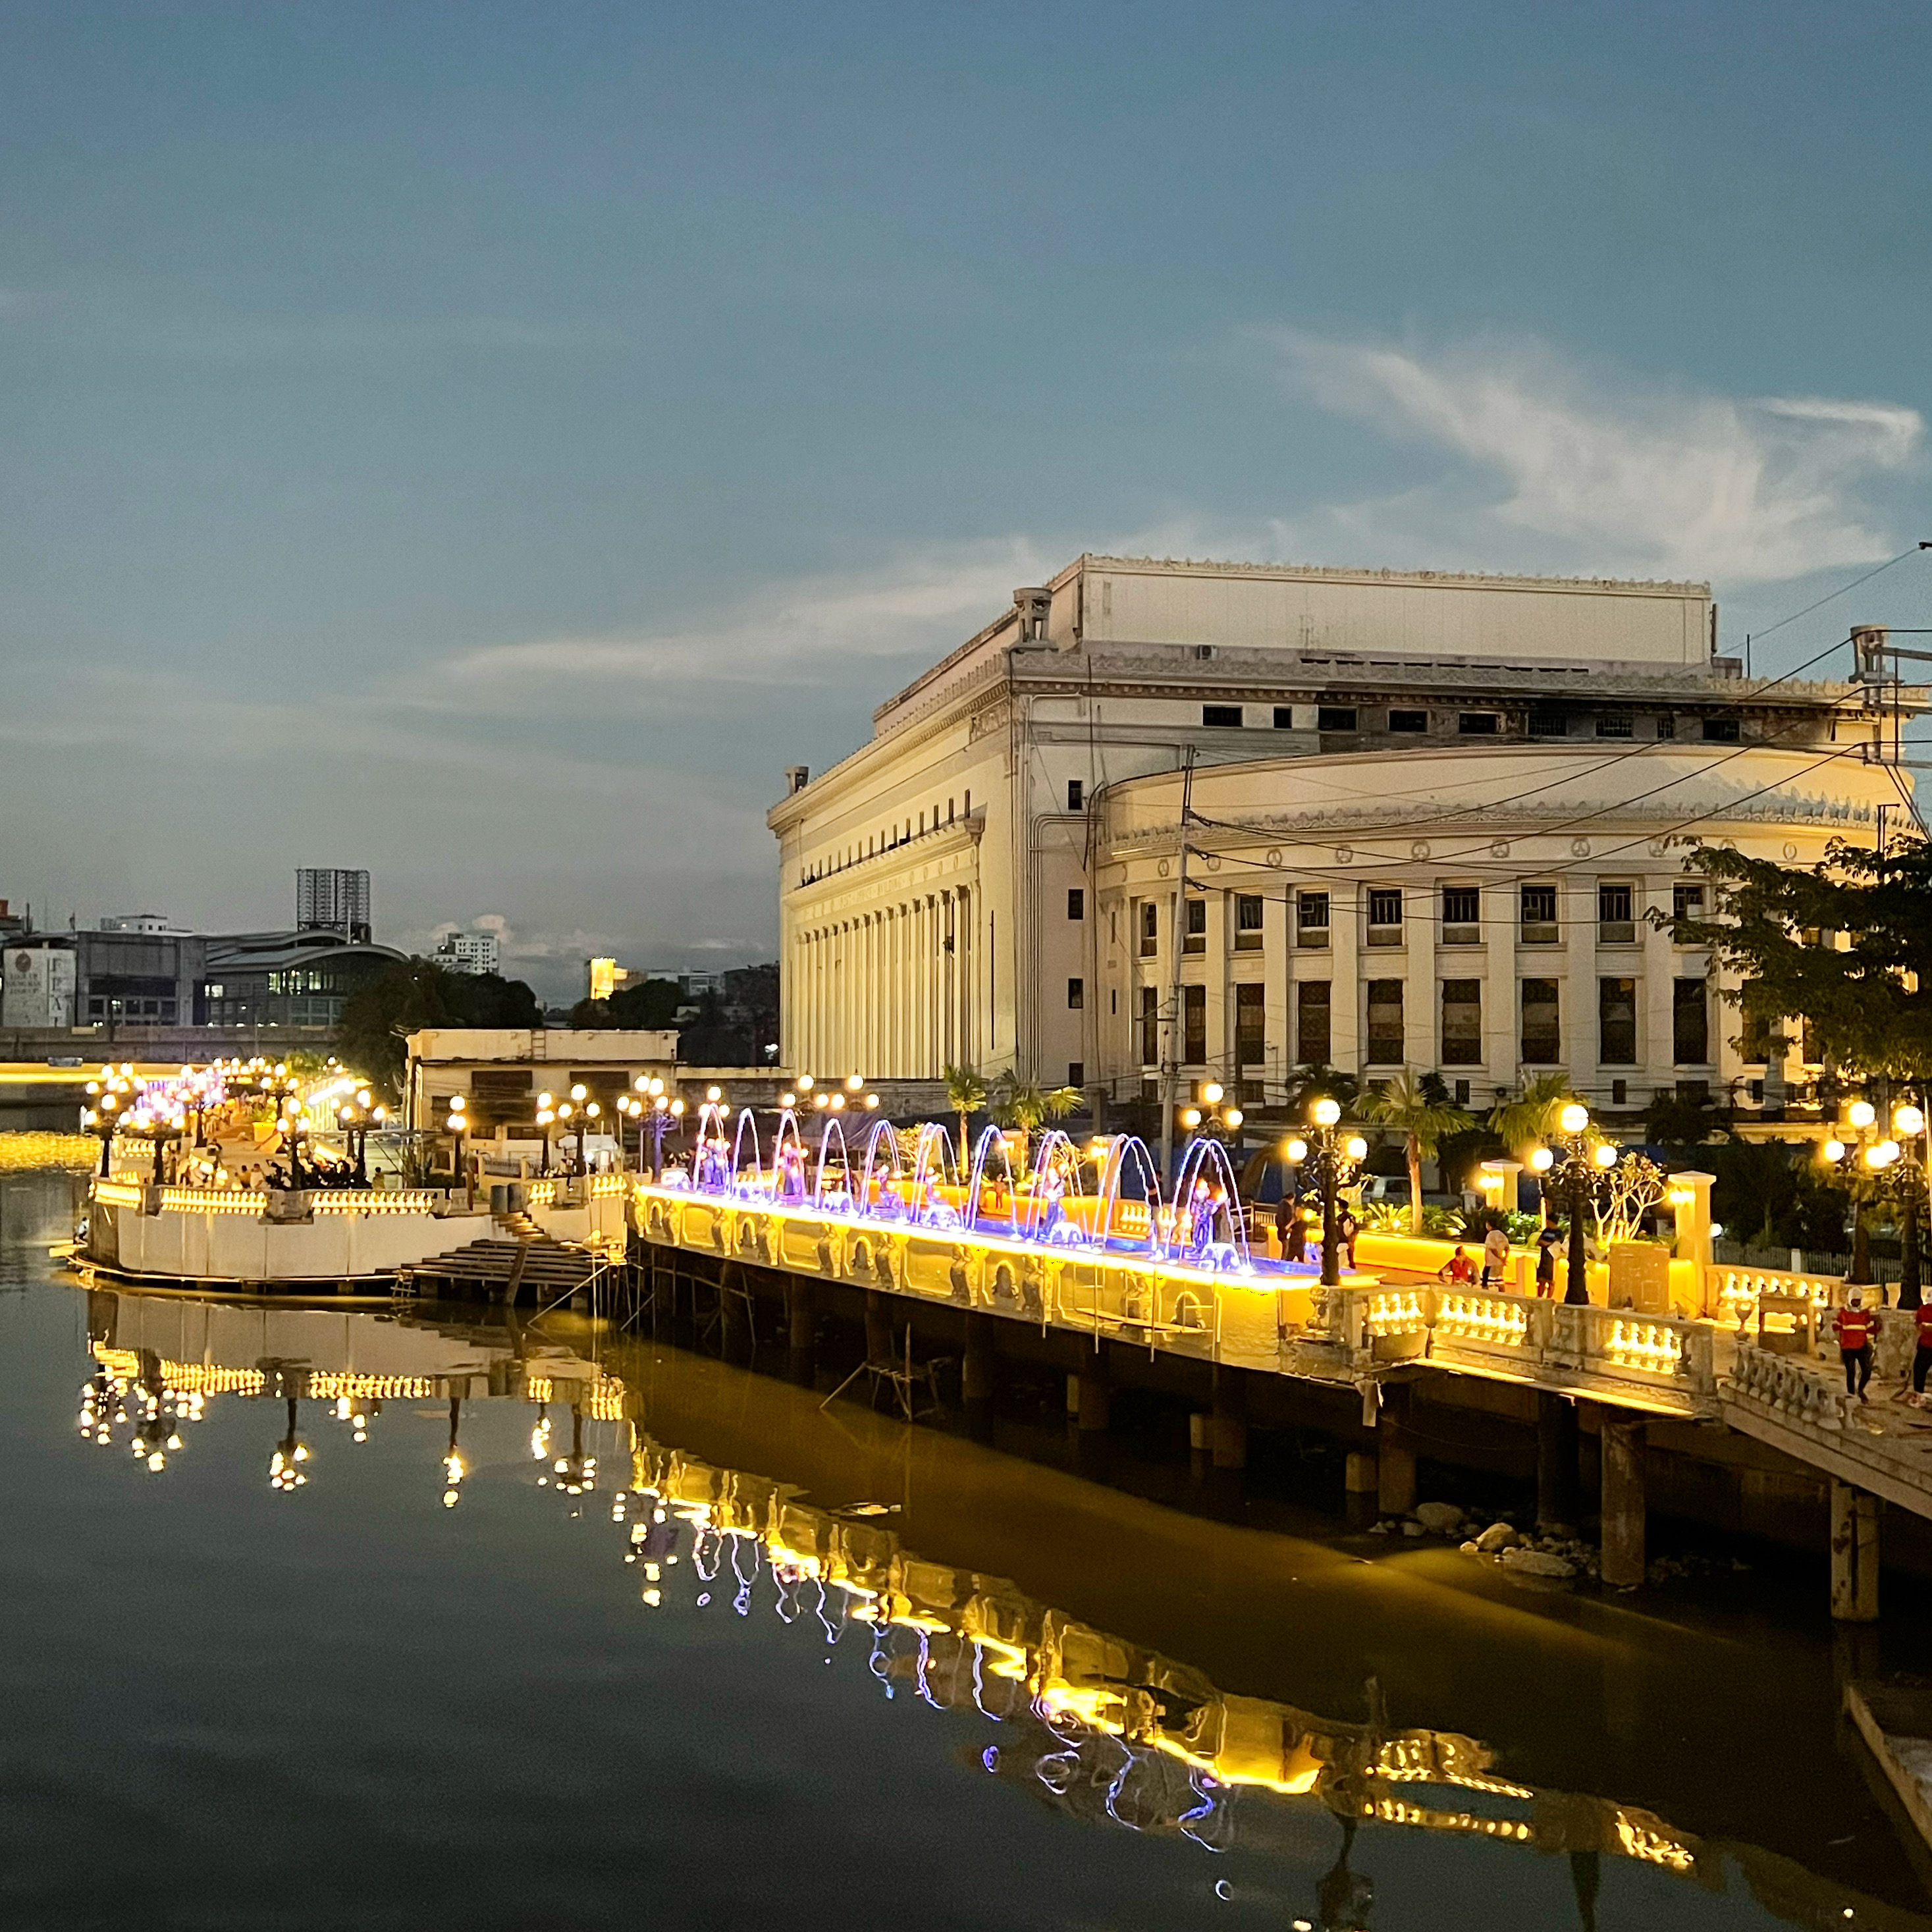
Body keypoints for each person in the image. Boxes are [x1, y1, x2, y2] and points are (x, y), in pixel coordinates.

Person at [1835, 1291, 1877, 1403]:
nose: (1856, 1303)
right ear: (1850, 1300)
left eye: (1858, 1300)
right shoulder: (1843, 1312)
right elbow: (1837, 1327)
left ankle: (1860, 1390)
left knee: (1867, 1371)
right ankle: (1851, 1395)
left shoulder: (1865, 1313)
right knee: (1851, 1372)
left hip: (1861, 1345)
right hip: (1847, 1347)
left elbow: (1870, 1328)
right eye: (1854, 1300)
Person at [1912, 1296, 1932, 1403]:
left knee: (1919, 1371)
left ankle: (1919, 1396)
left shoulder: (1924, 1310)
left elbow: (1917, 1323)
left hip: (1926, 1346)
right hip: (1926, 1345)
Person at [1534, 1223, 1562, 1299]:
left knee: (1551, 1281)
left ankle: (1549, 1298)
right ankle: (1540, 1297)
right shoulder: (1546, 1231)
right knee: (1541, 1280)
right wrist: (1544, 1243)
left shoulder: (1559, 1232)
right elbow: (1538, 1241)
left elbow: (1558, 1244)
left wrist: (1547, 1244)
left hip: (1553, 1259)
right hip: (1543, 1259)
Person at [1481, 1221, 1511, 1290]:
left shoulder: (1490, 1235)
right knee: (1500, 1281)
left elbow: (1493, 1249)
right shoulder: (1502, 1235)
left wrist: (1500, 1257)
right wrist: (1504, 1258)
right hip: (1500, 1264)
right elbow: (1507, 1248)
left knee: (1489, 1282)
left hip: (1491, 1263)